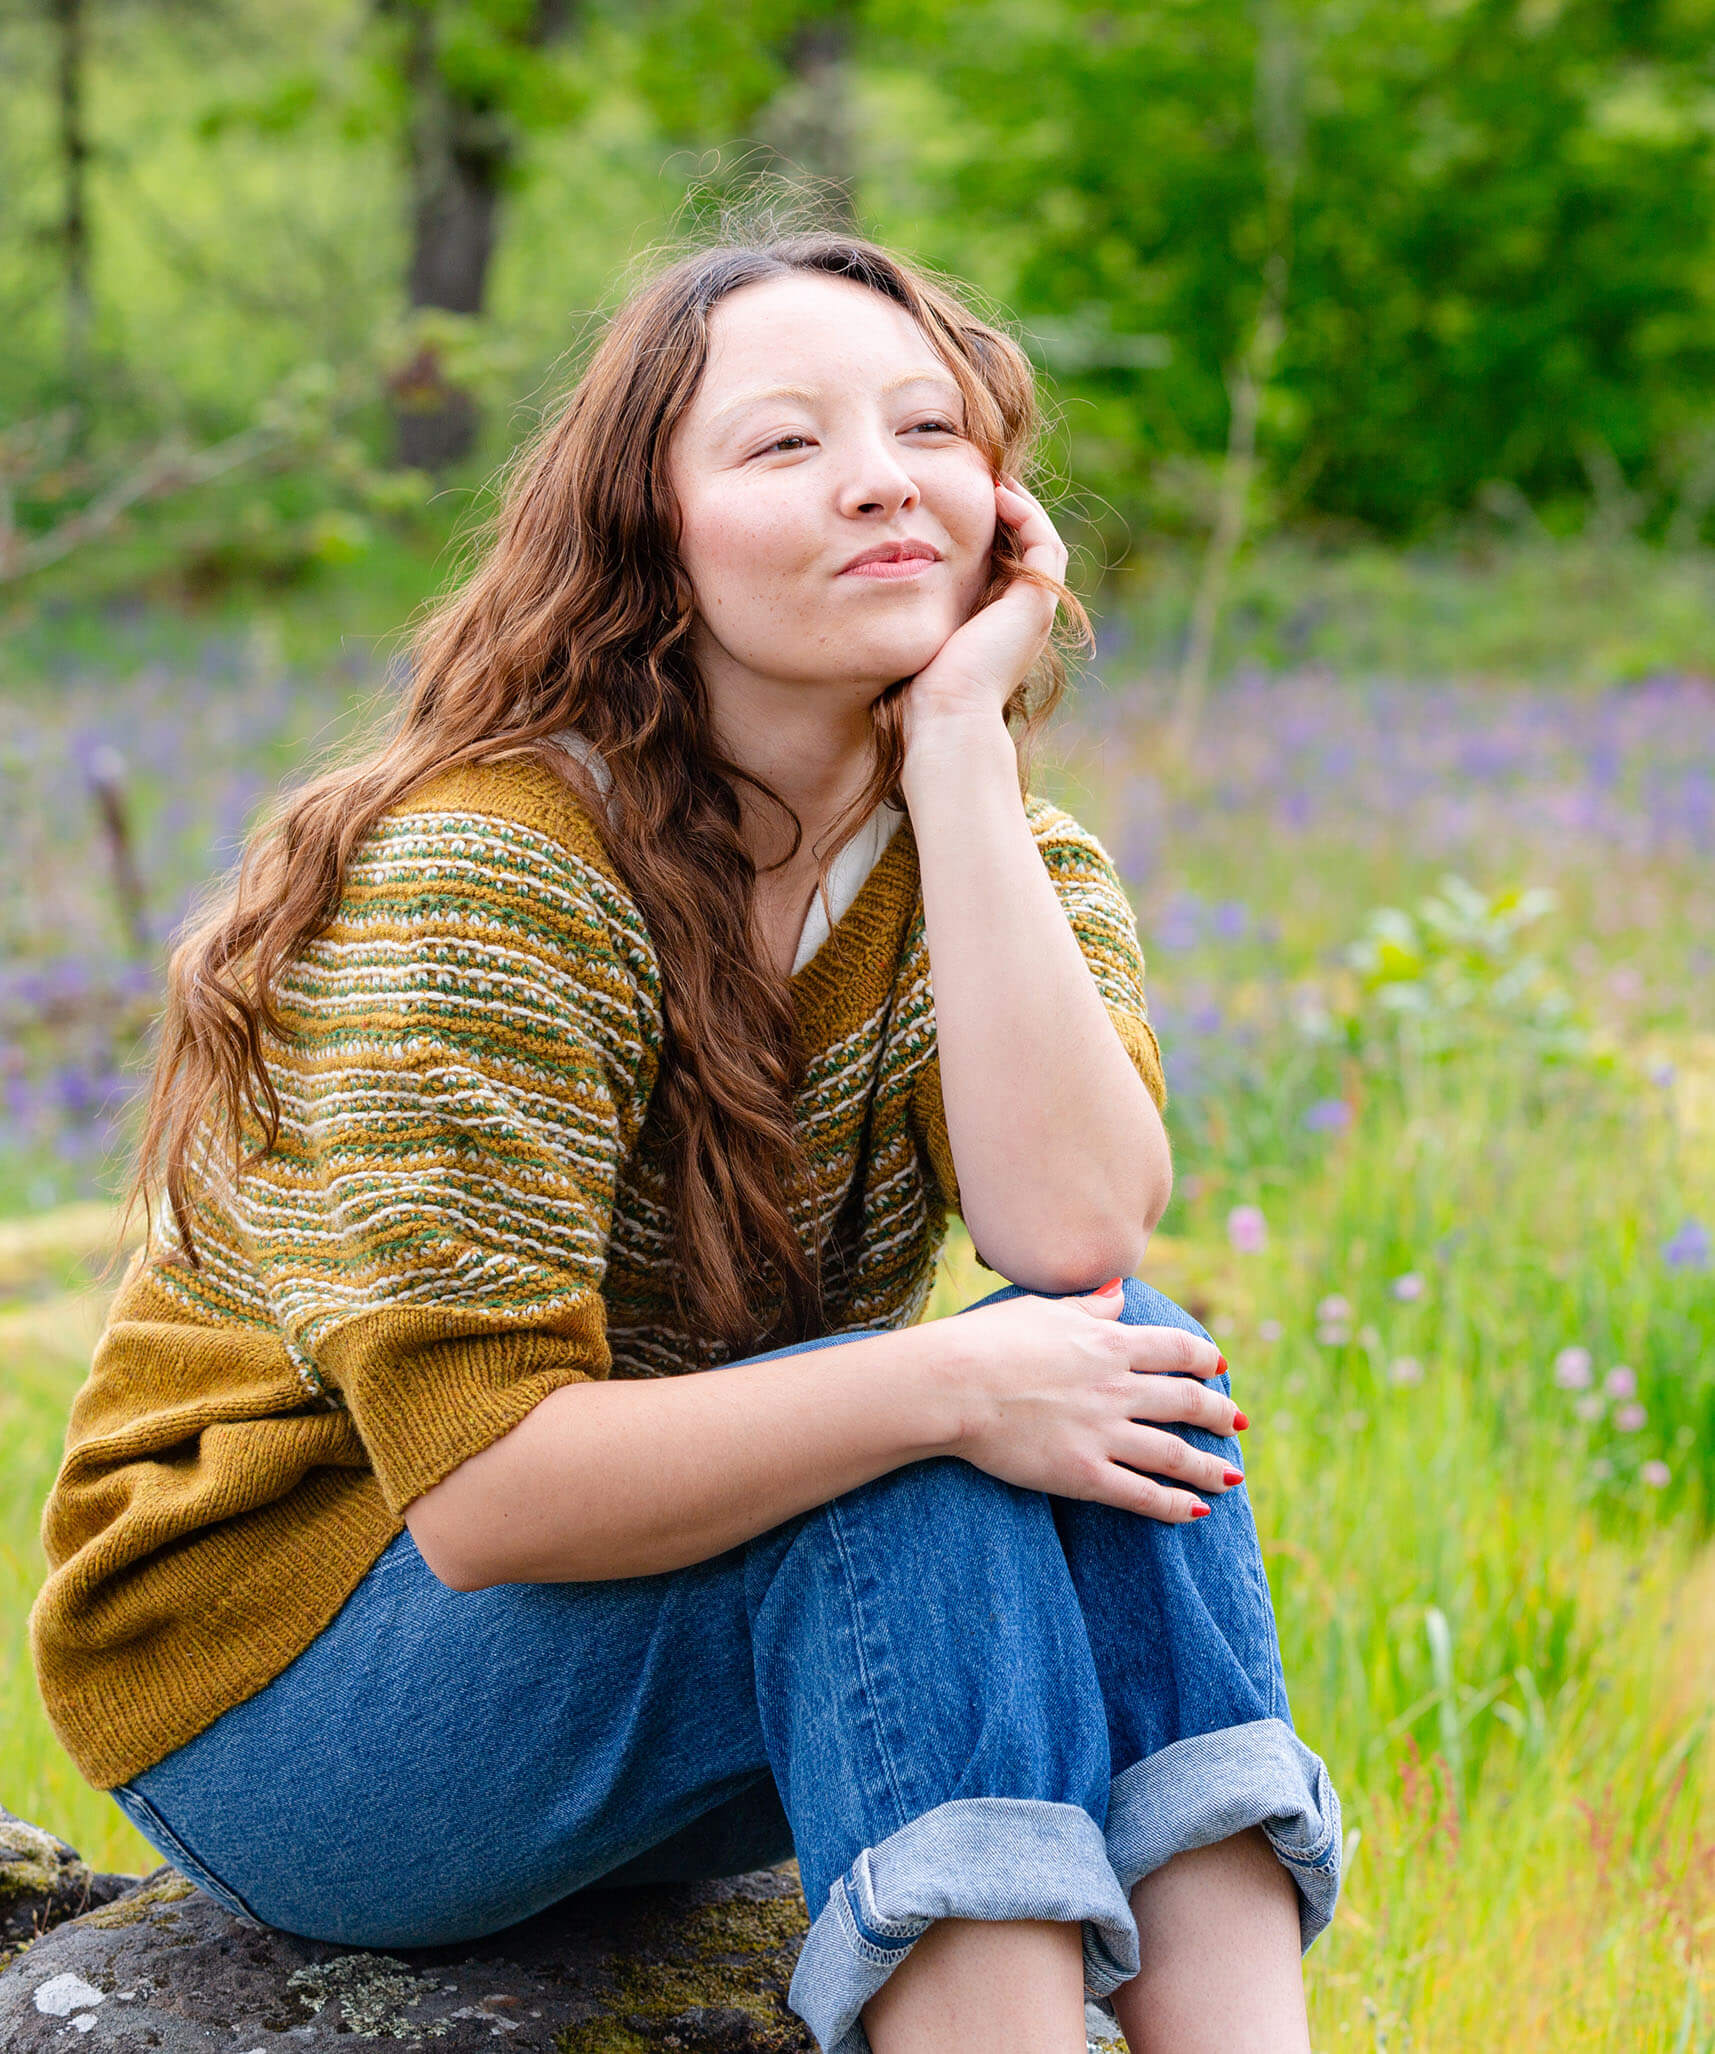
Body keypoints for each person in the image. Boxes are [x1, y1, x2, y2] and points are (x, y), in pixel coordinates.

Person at [30, 229, 1340, 2054]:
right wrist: (941, 1391)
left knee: (1130, 1376)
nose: (880, 476)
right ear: (652, 532)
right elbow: (486, 1497)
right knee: (939, 1444)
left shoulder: (1002, 862)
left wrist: (959, 749)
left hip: (664, 1628)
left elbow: (1073, 1226)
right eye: (782, 445)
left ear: (999, 501)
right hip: (306, 1684)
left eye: (929, 429)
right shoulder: (497, 870)